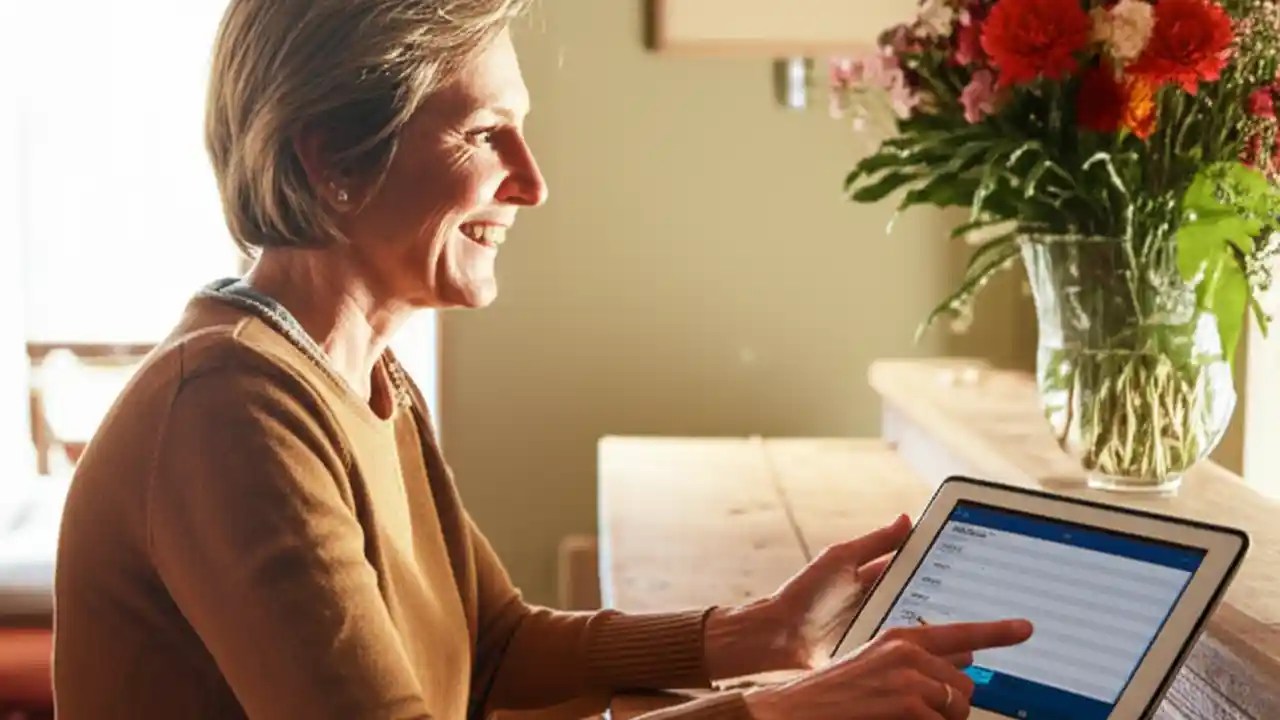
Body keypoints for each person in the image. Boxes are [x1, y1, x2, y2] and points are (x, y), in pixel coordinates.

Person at [51, 1, 1033, 718]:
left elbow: (492, 648)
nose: (532, 182)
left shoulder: (357, 374)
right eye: (485, 134)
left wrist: (757, 635)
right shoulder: (228, 413)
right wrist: (778, 713)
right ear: (331, 162)